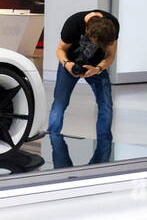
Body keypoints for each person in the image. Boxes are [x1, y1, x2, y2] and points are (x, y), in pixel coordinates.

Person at [48, 9, 120, 142]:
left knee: (106, 105)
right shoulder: (73, 24)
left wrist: (98, 68)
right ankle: (53, 140)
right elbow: (60, 49)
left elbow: (110, 54)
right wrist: (67, 64)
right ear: (87, 31)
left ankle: (104, 151)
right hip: (69, 63)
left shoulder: (112, 25)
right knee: (60, 103)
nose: (99, 47)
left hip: (97, 66)